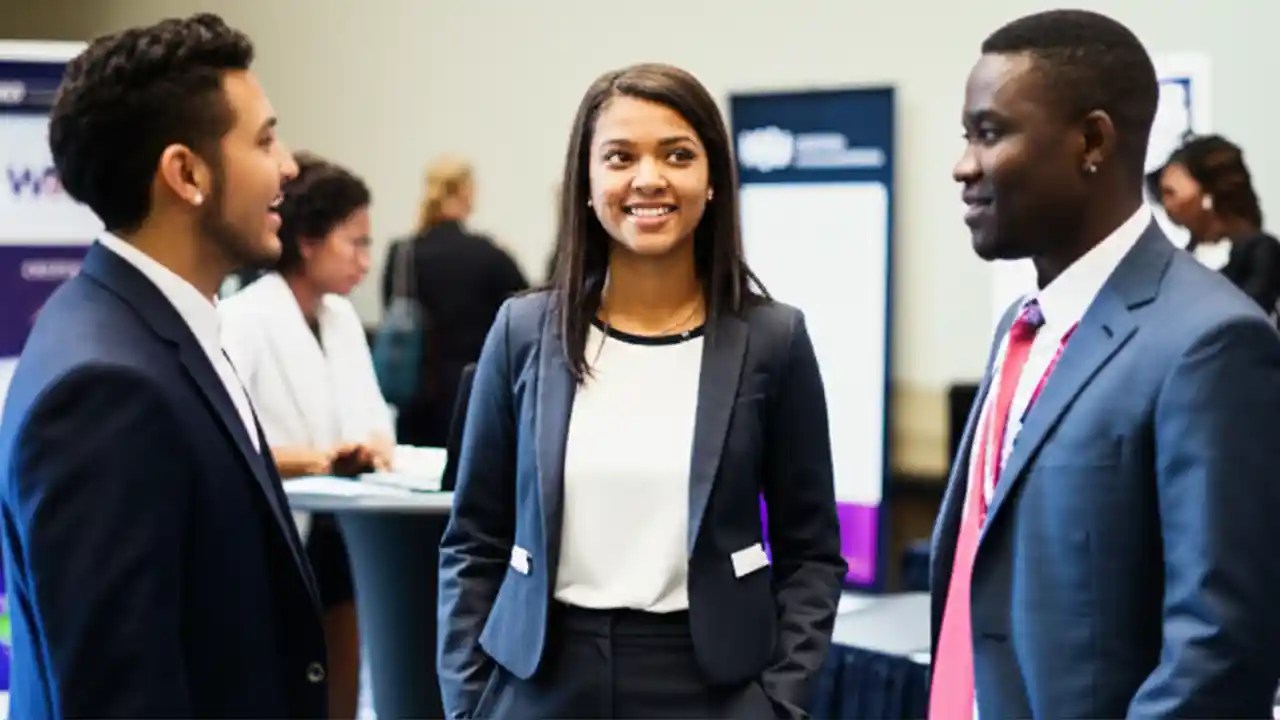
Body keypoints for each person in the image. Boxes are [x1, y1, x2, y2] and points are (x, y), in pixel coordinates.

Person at [437, 62, 847, 719]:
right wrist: (470, 698)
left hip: (712, 683)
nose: (649, 179)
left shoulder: (772, 340)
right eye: (620, 157)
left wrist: (780, 701)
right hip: (539, 679)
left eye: (677, 155)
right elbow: (474, 539)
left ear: (712, 181)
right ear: (587, 181)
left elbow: (812, 554)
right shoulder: (523, 332)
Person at [933, 9, 1280, 718]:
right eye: (966, 136)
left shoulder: (1211, 342)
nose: (963, 165)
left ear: (1091, 140)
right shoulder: (1020, 329)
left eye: (990, 133)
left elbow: (1220, 652)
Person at [0, 14, 327, 719]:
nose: (289, 166)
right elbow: (118, 695)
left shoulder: (151, 328)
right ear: (186, 173)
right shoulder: (104, 387)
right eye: (265, 140)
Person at [220, 152, 394, 719]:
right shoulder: (243, 318)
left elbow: (373, 420)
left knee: (343, 684)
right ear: (311, 242)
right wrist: (318, 460)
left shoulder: (340, 318)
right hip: (275, 530)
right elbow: (228, 442)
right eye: (356, 242)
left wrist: (366, 450)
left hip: (339, 530)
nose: (367, 262)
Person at [380, 156, 529, 448]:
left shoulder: (402, 254)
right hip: (475, 392)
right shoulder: (489, 254)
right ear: (466, 193)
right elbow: (525, 313)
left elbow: (392, 310)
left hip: (416, 395)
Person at [1155, 134, 1280, 314]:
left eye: (1171, 193)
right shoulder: (1179, 260)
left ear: (1207, 192)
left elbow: (1250, 314)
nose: (1166, 204)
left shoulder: (1260, 251)